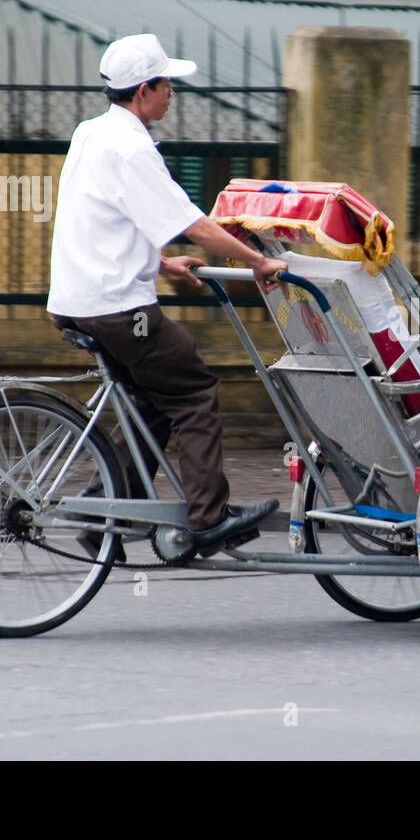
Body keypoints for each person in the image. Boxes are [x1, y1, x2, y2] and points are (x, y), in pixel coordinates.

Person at [46, 33, 287, 558]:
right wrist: (259, 261)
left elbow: (103, 225)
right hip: (117, 309)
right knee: (195, 391)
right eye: (166, 84)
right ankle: (209, 519)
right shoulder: (133, 148)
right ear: (143, 90)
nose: (172, 93)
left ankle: (99, 509)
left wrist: (161, 263)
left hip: (75, 300)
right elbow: (196, 225)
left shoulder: (91, 133)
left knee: (156, 396)